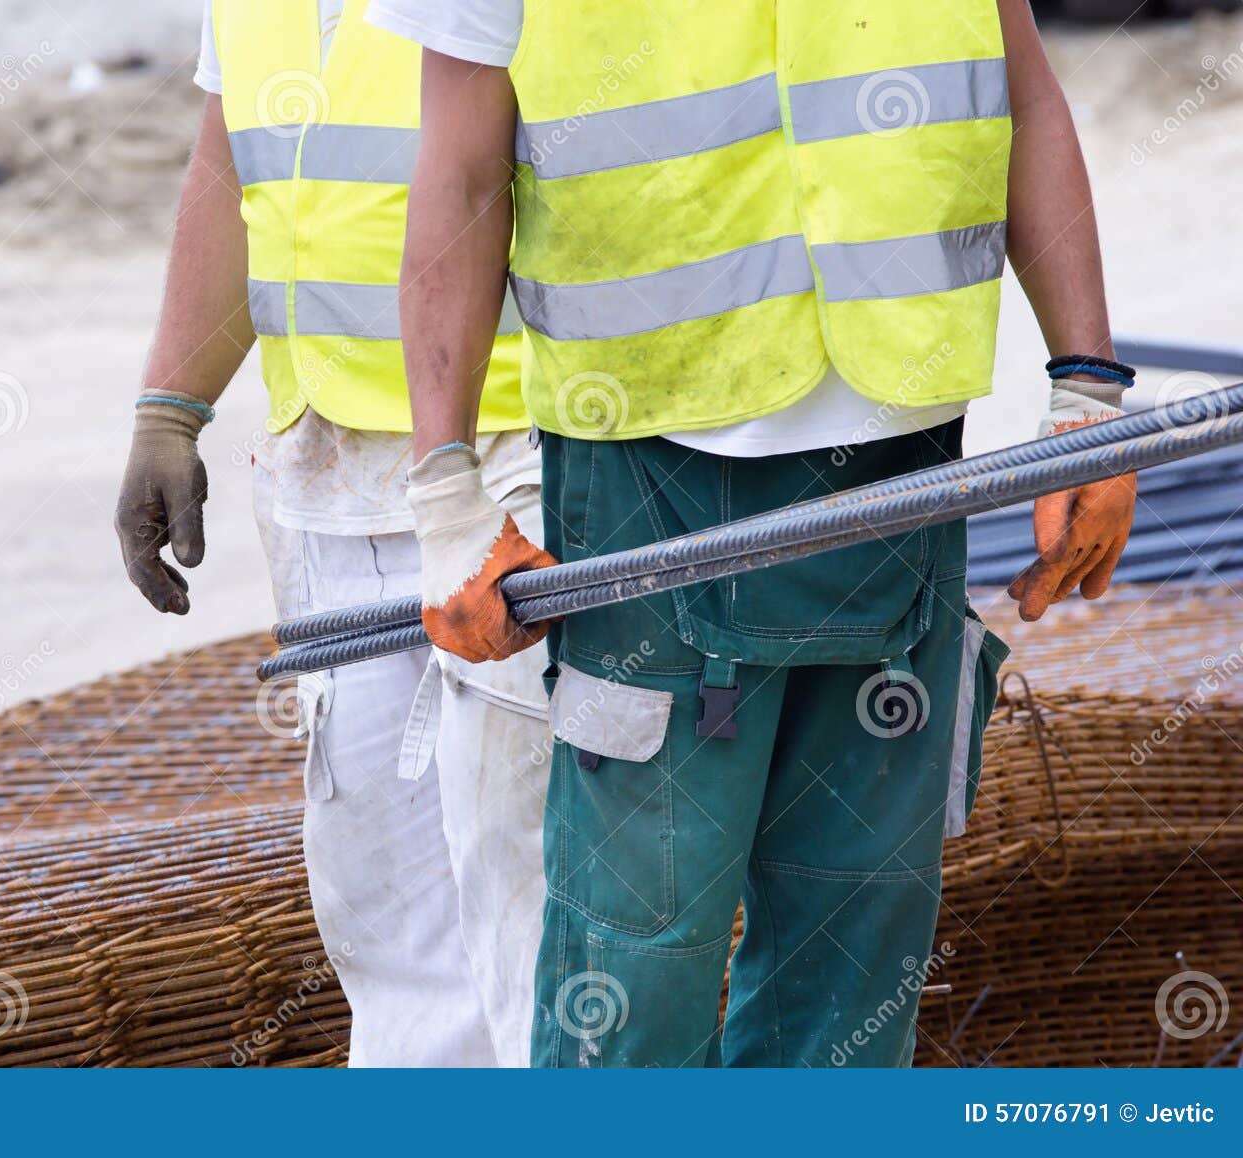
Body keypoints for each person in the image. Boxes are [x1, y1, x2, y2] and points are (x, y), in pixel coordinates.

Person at [370, 0, 1137, 1066]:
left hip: (900, 469)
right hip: (648, 472)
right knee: (635, 975)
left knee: (852, 975)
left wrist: (1087, 391)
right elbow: (457, 177)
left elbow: (1020, 95)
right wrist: (445, 492)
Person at [112, 0, 551, 1067]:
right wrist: (172, 406)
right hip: (327, 465)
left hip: (514, 450)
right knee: (382, 893)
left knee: (521, 870)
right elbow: (228, 165)